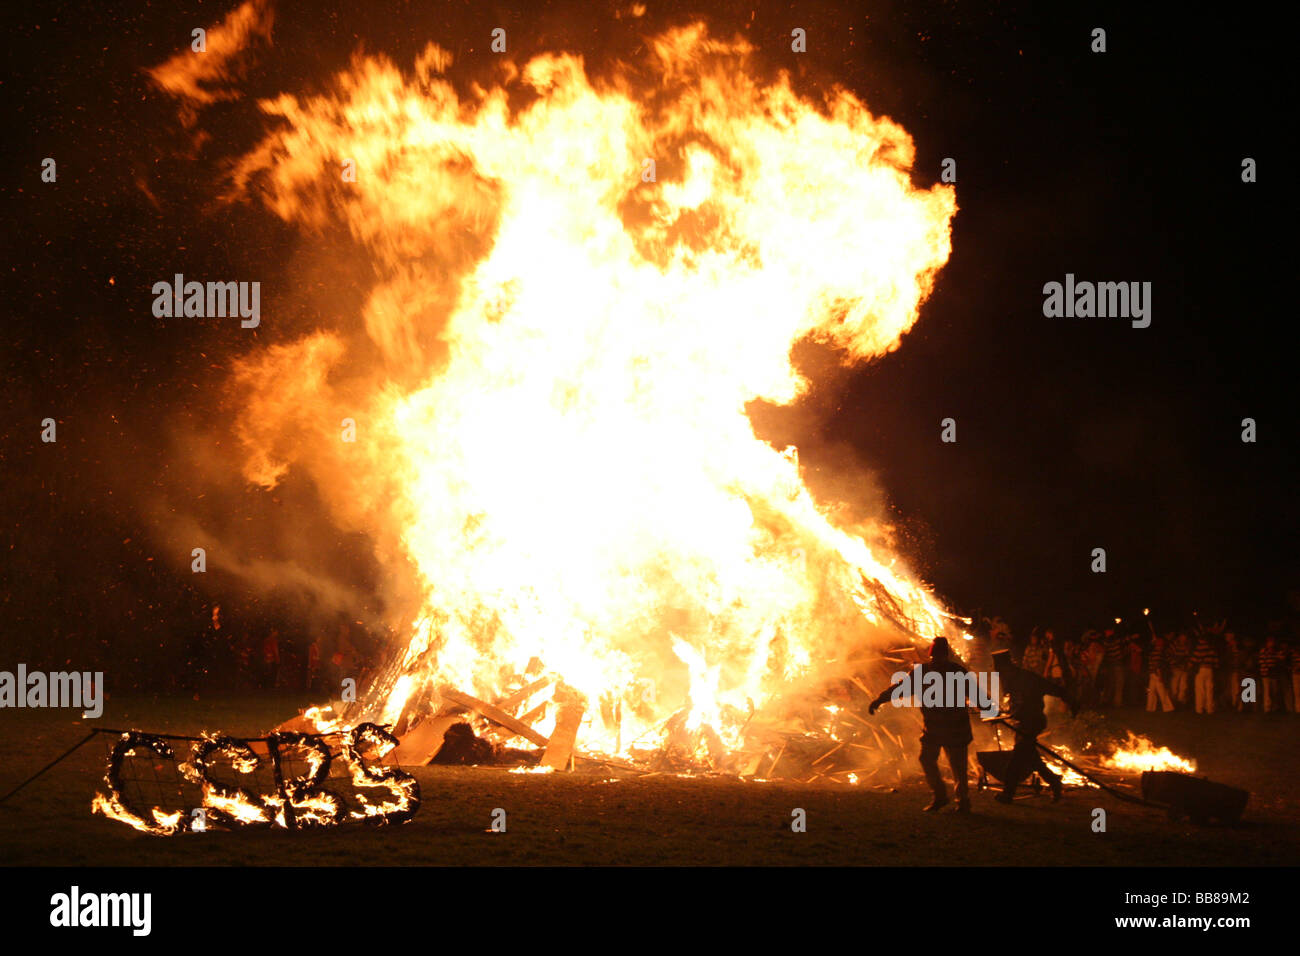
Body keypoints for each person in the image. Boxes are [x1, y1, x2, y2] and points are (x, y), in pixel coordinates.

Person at [868, 637, 975, 813]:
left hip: (950, 727)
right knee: (938, 761)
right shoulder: (948, 671)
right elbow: (900, 689)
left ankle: (958, 800)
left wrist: (879, 700)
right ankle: (947, 798)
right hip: (942, 727)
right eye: (936, 657)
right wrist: (880, 700)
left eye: (938, 657)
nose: (937, 661)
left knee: (956, 765)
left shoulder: (929, 672)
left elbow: (975, 693)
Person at [989, 648, 1077, 804]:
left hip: (1033, 722)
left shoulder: (1027, 678)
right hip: (1024, 723)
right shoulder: (1011, 679)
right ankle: (1054, 781)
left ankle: (1008, 794)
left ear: (1007, 666)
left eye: (1000, 669)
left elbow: (1055, 689)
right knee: (1031, 758)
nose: (999, 673)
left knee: (1016, 761)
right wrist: (1004, 714)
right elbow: (1014, 705)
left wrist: (1073, 703)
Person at [1191, 631, 1219, 714]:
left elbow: (1195, 659)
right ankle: (1209, 709)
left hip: (1201, 669)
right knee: (1209, 690)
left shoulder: (1200, 647)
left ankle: (1199, 709)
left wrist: (1189, 665)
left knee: (1200, 690)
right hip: (1210, 670)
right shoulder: (1212, 648)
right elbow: (1216, 661)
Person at [1145, 632, 1174, 712]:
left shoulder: (1154, 652)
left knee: (1152, 692)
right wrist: (1160, 675)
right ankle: (1167, 708)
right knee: (1161, 692)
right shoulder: (1158, 652)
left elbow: (1155, 664)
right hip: (1156, 674)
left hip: (1153, 674)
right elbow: (1157, 665)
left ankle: (1150, 708)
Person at [1259, 635, 1285, 713]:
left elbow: (1280, 659)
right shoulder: (1263, 651)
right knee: (1267, 691)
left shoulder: (1276, 651)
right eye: (1270, 642)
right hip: (1266, 674)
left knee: (1274, 691)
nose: (1271, 643)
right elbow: (1262, 662)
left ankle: (1274, 707)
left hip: (1273, 675)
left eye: (1272, 642)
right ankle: (1267, 708)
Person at [1168, 632, 1191, 708]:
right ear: (1179, 637)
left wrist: (1186, 664)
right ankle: (1174, 701)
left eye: (1185, 637)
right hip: (1176, 669)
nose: (1184, 639)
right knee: (1174, 685)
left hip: (1184, 669)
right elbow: (1168, 655)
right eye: (1182, 637)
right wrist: (1174, 663)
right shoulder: (1174, 645)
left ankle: (1181, 701)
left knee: (1183, 686)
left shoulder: (1187, 646)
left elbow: (1188, 656)